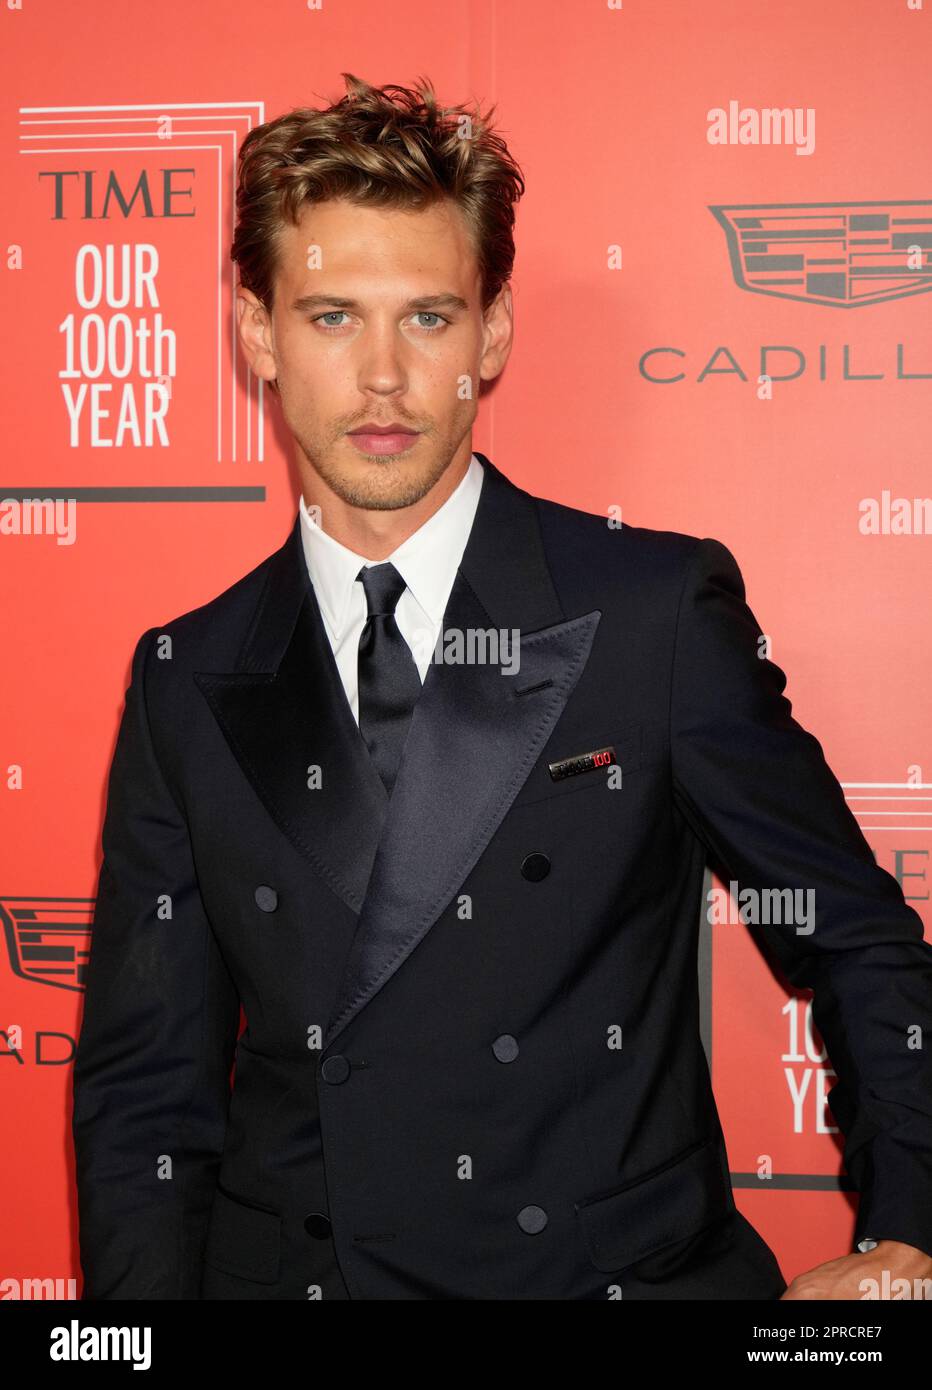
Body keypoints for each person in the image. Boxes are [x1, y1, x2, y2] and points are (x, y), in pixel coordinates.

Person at [72, 72, 932, 1300]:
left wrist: (907, 1229)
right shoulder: (187, 671)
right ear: (257, 334)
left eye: (426, 317)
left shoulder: (647, 615)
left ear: (493, 333)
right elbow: (147, 1090)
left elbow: (848, 934)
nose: (381, 377)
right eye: (328, 317)